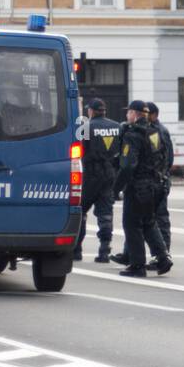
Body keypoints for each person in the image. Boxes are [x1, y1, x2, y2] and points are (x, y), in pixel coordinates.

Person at [111, 101, 170, 278]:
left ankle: (137, 265)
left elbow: (128, 166)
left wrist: (116, 189)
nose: (126, 116)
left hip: (138, 186)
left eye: (128, 112)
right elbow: (163, 156)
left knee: (132, 224)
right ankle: (163, 258)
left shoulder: (133, 134)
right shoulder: (155, 132)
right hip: (156, 184)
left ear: (135, 114)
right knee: (148, 222)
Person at [75, 98, 121, 263]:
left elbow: (78, 150)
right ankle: (104, 250)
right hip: (109, 175)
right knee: (105, 213)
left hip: (89, 175)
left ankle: (76, 250)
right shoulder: (117, 127)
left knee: (80, 211)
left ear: (91, 111)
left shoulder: (85, 127)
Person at [145, 102, 174, 273]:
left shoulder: (158, 131)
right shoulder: (156, 130)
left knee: (159, 218)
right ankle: (159, 254)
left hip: (158, 181)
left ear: (153, 114)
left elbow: (166, 158)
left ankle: (163, 254)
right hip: (160, 180)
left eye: (146, 113)